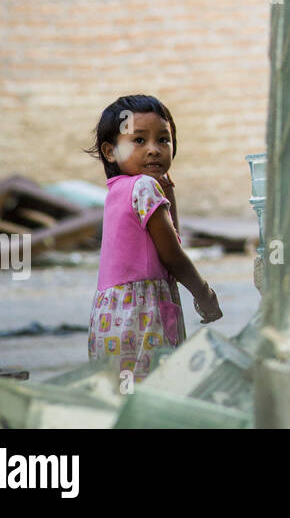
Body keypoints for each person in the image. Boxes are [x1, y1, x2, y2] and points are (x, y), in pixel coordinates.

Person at [85, 94, 221, 379]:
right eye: (139, 140)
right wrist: (204, 294)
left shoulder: (118, 190)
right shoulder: (144, 187)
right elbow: (172, 255)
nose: (154, 149)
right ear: (111, 152)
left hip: (111, 320)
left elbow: (168, 241)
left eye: (163, 139)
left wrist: (169, 197)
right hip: (142, 318)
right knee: (155, 394)